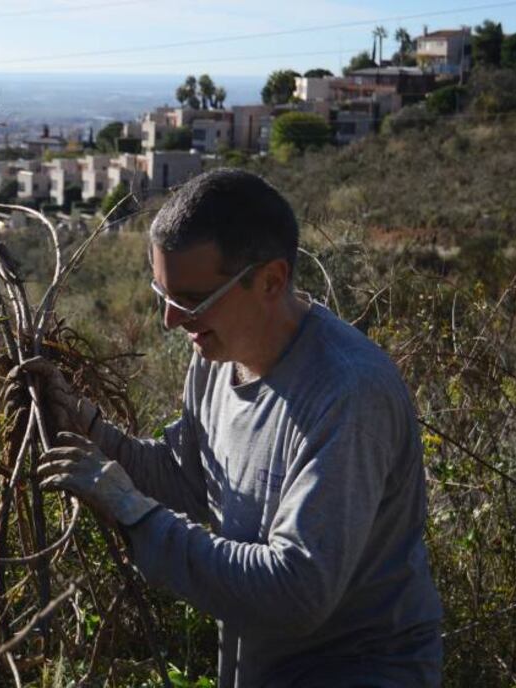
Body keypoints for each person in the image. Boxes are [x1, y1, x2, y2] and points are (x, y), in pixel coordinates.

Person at [22, 169, 443, 687]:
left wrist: (133, 513)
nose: (170, 322)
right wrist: (89, 430)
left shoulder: (347, 396)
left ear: (270, 281)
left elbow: (296, 593)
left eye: (191, 300)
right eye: (163, 294)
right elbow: (190, 480)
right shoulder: (218, 358)